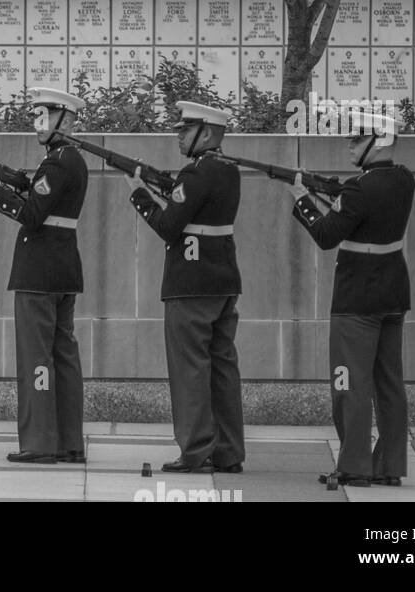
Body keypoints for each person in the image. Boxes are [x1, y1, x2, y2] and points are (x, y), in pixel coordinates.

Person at [290, 112, 414, 488]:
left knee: (349, 383)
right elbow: (359, 211)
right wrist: (332, 192)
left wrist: (303, 200)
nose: (350, 145)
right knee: (389, 382)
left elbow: (327, 234)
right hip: (393, 294)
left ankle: (355, 465)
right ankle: (390, 464)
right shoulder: (404, 179)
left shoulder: (358, 190)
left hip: (356, 299)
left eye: (358, 140)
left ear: (381, 141)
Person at [125, 101, 244, 473]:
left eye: (184, 130)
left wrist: (139, 193)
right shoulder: (228, 170)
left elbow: (168, 226)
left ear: (206, 133)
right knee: (222, 369)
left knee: (190, 370)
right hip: (223, 280)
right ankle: (228, 452)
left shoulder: (196, 173)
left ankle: (195, 450)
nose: (177, 135)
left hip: (190, 285)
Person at [0, 87, 88, 464]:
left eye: (45, 115)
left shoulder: (57, 163)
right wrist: (20, 185)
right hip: (61, 270)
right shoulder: (72, 160)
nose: (38, 122)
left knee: (37, 360)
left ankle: (40, 441)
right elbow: (44, 202)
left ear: (65, 120)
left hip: (38, 273)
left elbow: (32, 216)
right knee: (63, 358)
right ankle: (68, 441)